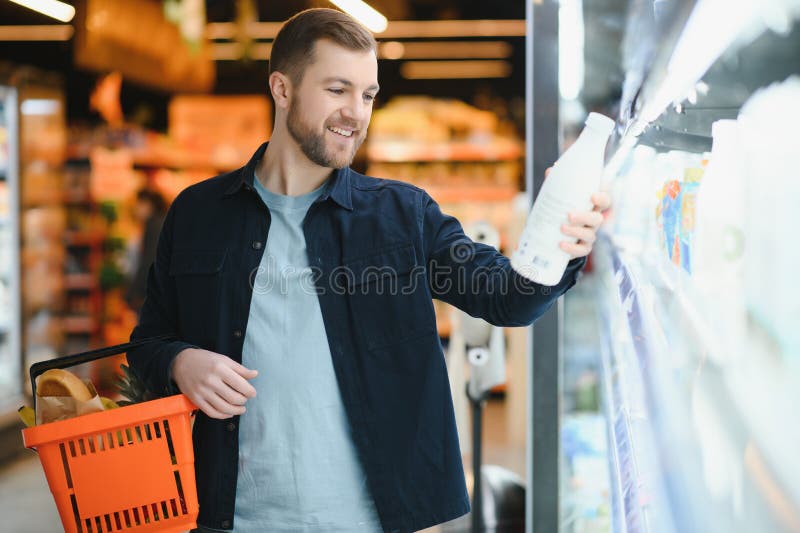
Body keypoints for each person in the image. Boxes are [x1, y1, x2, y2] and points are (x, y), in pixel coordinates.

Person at [128, 8, 610, 533]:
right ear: (282, 89)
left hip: (368, 521)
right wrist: (180, 361)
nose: (356, 113)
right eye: (338, 90)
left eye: (368, 95)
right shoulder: (198, 214)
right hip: (225, 518)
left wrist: (562, 246)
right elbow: (148, 341)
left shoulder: (403, 216)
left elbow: (507, 298)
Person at [125, 187, 168, 312]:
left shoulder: (153, 225)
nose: (136, 208)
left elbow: (149, 260)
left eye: (139, 204)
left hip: (150, 294)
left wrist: (133, 292)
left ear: (149, 205)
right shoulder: (160, 223)